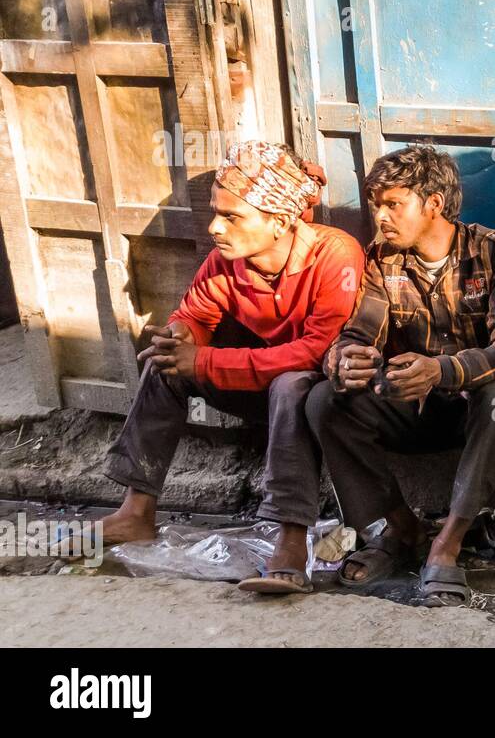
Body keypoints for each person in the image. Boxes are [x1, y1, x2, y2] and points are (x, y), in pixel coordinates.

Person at [98, 141, 364, 594]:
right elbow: (196, 315)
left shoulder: (335, 255)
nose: (215, 227)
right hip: (250, 382)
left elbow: (315, 351)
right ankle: (136, 512)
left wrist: (204, 359)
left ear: (279, 221)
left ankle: (291, 538)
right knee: (165, 364)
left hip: (311, 396)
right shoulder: (225, 263)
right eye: (216, 213)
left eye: (232, 216)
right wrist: (183, 337)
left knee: (292, 384)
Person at [305, 144, 495, 606]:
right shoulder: (383, 261)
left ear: (433, 204)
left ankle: (449, 539)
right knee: (323, 400)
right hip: (418, 406)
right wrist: (345, 359)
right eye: (375, 204)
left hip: (478, 410)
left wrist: (442, 370)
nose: (380, 216)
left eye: (393, 204)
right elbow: (358, 331)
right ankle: (398, 525)